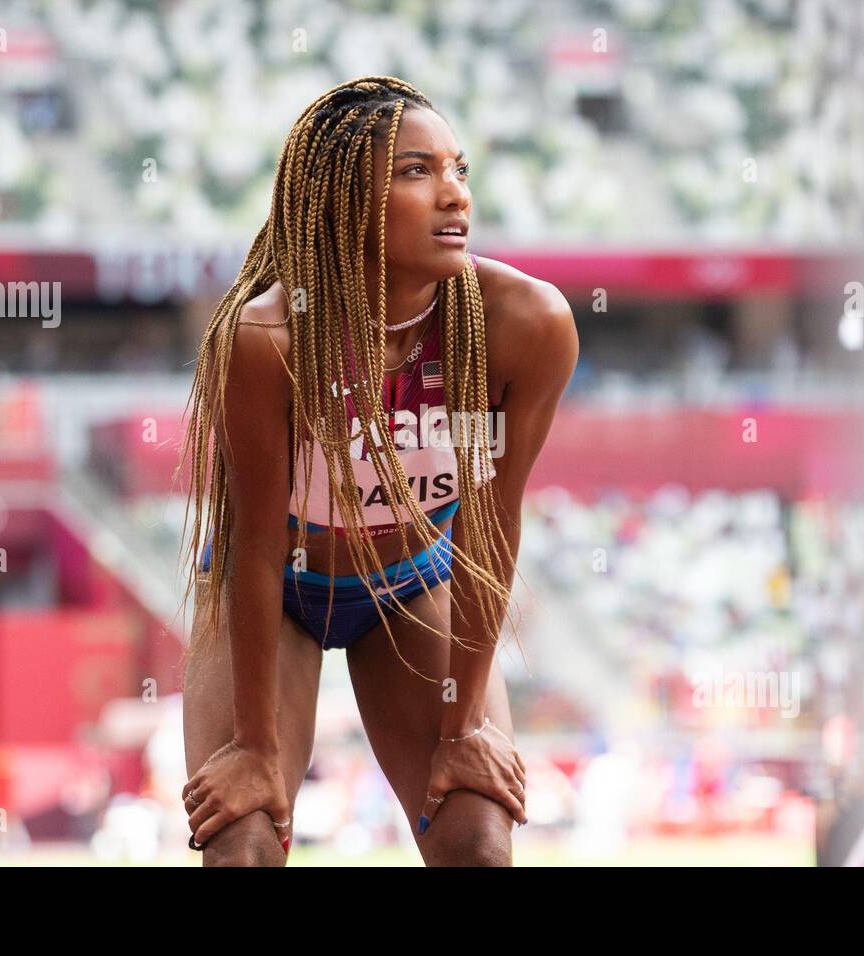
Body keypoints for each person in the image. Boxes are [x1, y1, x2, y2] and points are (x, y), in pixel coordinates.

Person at [176, 76, 578, 866]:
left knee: (480, 844)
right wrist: (255, 747)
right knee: (244, 845)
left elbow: (492, 528)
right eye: (417, 171)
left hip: (410, 585)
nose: (454, 195)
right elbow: (256, 545)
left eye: (460, 169)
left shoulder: (526, 324)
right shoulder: (268, 339)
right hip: (277, 590)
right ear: (341, 201)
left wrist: (465, 727)